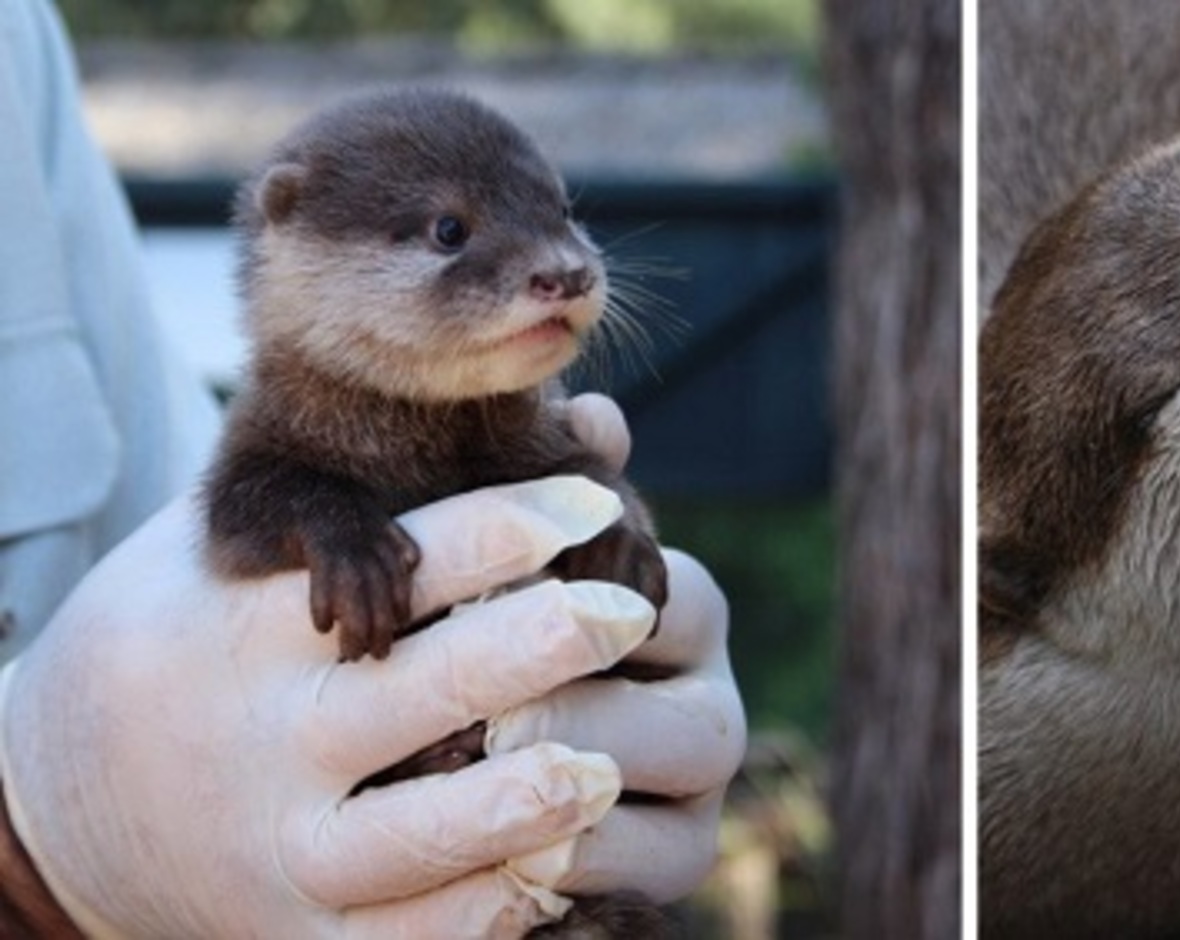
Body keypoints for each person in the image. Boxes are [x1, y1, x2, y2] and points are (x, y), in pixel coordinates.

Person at [0, 1, 745, 934]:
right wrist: (37, 835)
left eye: (558, 215)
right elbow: (237, 522)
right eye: (449, 234)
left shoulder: (16, 44)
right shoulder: (285, 441)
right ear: (291, 233)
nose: (563, 265)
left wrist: (618, 545)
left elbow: (173, 576)